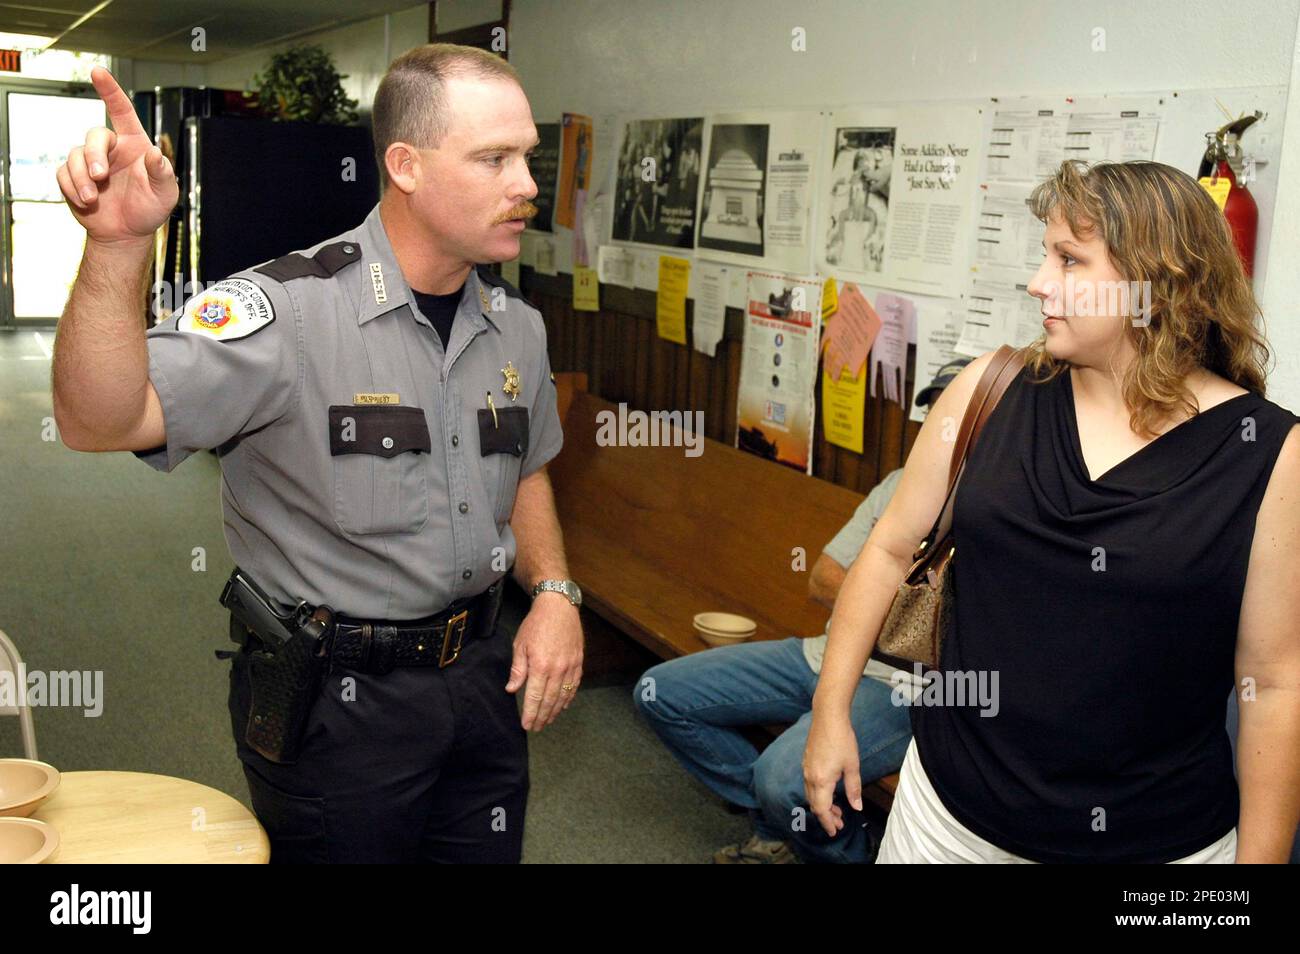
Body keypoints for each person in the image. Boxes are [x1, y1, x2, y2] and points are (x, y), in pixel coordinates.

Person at [50, 44, 586, 864]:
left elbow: (529, 465)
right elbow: (96, 419)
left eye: (527, 158)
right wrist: (120, 246)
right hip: (340, 704)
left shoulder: (517, 324)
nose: (527, 185)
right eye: (495, 159)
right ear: (405, 165)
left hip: (484, 680)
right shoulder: (286, 313)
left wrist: (553, 592)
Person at [805, 159, 1300, 864]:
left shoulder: (1268, 452)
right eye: (1046, 255)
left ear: (1154, 285)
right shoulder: (993, 390)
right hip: (947, 823)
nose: (1039, 282)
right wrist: (830, 713)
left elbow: (1276, 684)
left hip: (1159, 846)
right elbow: (887, 549)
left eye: (1069, 260)